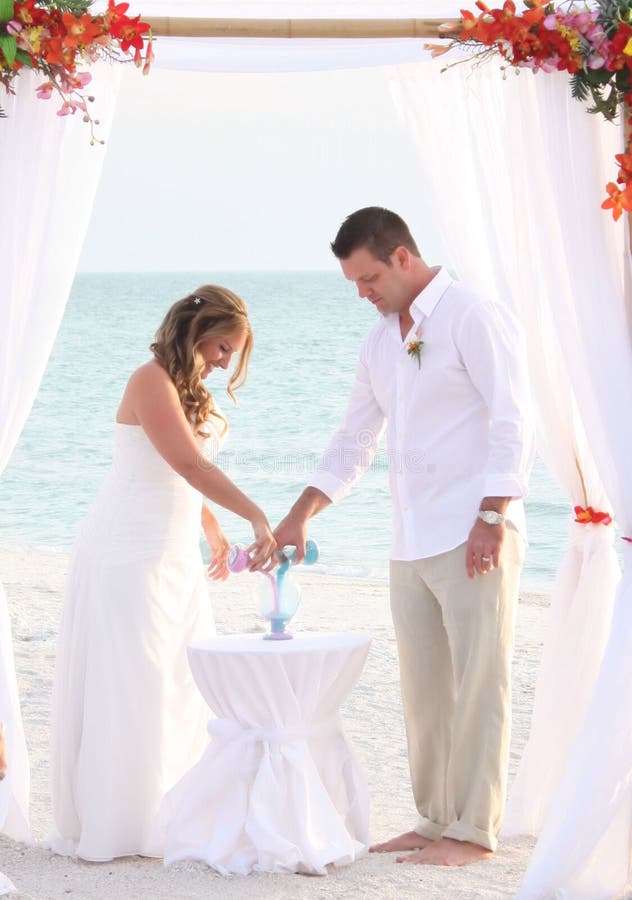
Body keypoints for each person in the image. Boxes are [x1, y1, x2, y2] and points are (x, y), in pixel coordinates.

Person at [274, 208, 534, 867]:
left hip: (475, 531)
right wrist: (303, 512)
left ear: (403, 260)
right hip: (409, 537)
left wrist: (494, 515)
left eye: (368, 280)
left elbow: (513, 419)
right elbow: (356, 439)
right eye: (354, 284)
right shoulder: (379, 343)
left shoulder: (474, 315)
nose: (363, 294)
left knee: (480, 682)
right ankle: (435, 818)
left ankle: (474, 831)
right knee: (424, 687)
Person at [49, 285, 276, 861]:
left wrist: (211, 529)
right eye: (224, 348)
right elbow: (187, 463)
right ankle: (119, 826)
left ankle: (165, 812)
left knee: (178, 681)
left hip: (171, 553)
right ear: (196, 334)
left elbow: (175, 471)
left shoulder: (188, 389)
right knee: (133, 681)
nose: (226, 361)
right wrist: (252, 514)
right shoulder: (150, 380)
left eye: (232, 353)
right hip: (127, 550)